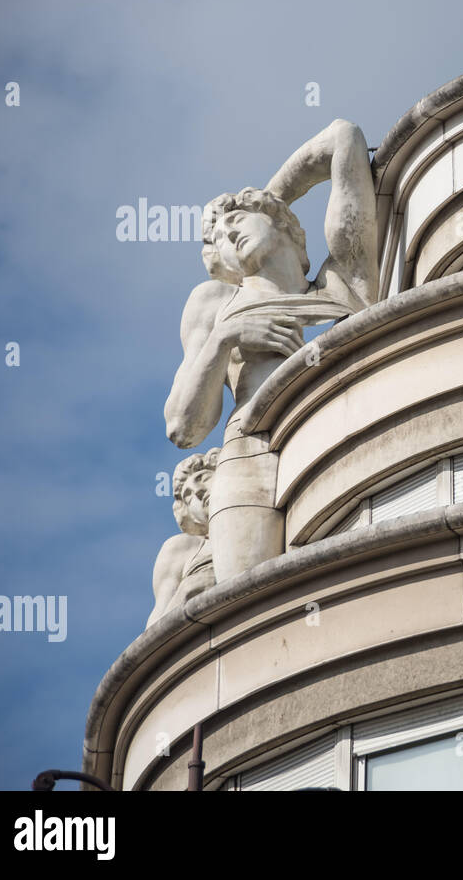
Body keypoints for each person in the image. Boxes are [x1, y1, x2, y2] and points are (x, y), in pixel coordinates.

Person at [164, 119, 378, 581]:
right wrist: (229, 338)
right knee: (250, 605)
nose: (226, 234)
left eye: (235, 221)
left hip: (340, 427)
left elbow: (343, 138)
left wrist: (265, 198)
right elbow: (183, 426)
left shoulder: (342, 287)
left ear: (281, 221)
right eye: (216, 237)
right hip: (251, 452)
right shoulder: (218, 305)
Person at [148, 449, 219, 627]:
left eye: (204, 479)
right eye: (188, 496)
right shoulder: (185, 547)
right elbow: (156, 627)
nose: (199, 492)